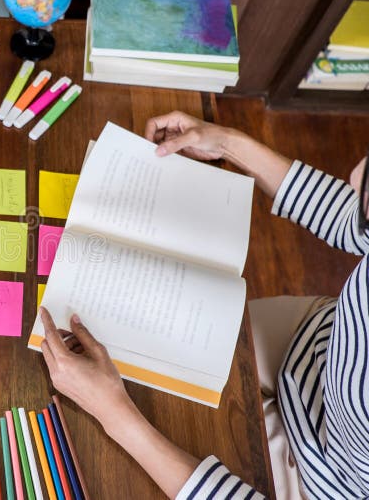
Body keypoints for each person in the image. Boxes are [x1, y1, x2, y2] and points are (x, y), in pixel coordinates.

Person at [40, 111, 369, 499]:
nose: (354, 175)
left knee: (151, 416)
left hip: (318, 481)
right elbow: (355, 221)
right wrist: (229, 142)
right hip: (315, 343)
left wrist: (115, 415)